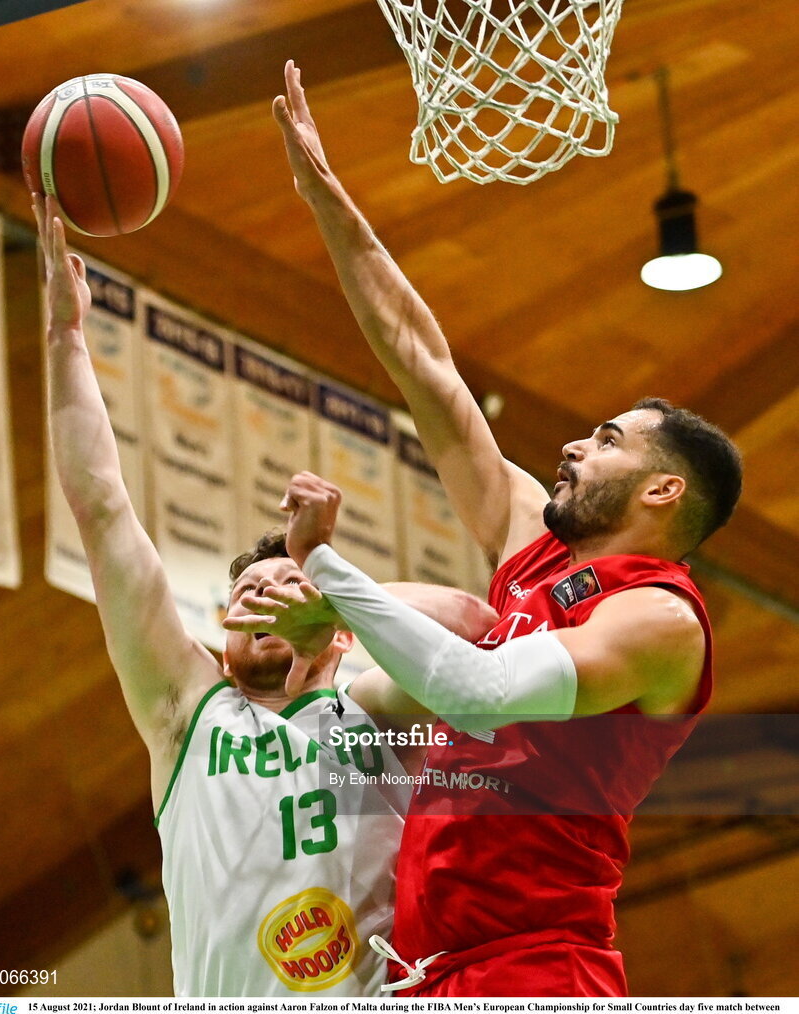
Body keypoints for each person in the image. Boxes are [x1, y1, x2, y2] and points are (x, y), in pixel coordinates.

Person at [260, 63, 745, 997]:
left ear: (662, 492)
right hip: (426, 974)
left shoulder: (659, 624)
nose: (571, 445)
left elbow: (477, 693)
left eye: (605, 441)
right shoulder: (536, 551)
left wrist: (328, 569)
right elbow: (422, 363)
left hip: (539, 972)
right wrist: (326, 203)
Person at [33, 194, 497, 997]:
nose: (271, 596)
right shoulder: (186, 714)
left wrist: (332, 586)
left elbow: (473, 622)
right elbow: (103, 510)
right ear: (223, 632)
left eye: (292, 587)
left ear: (346, 629)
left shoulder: (377, 709)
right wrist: (65, 336)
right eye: (251, 590)